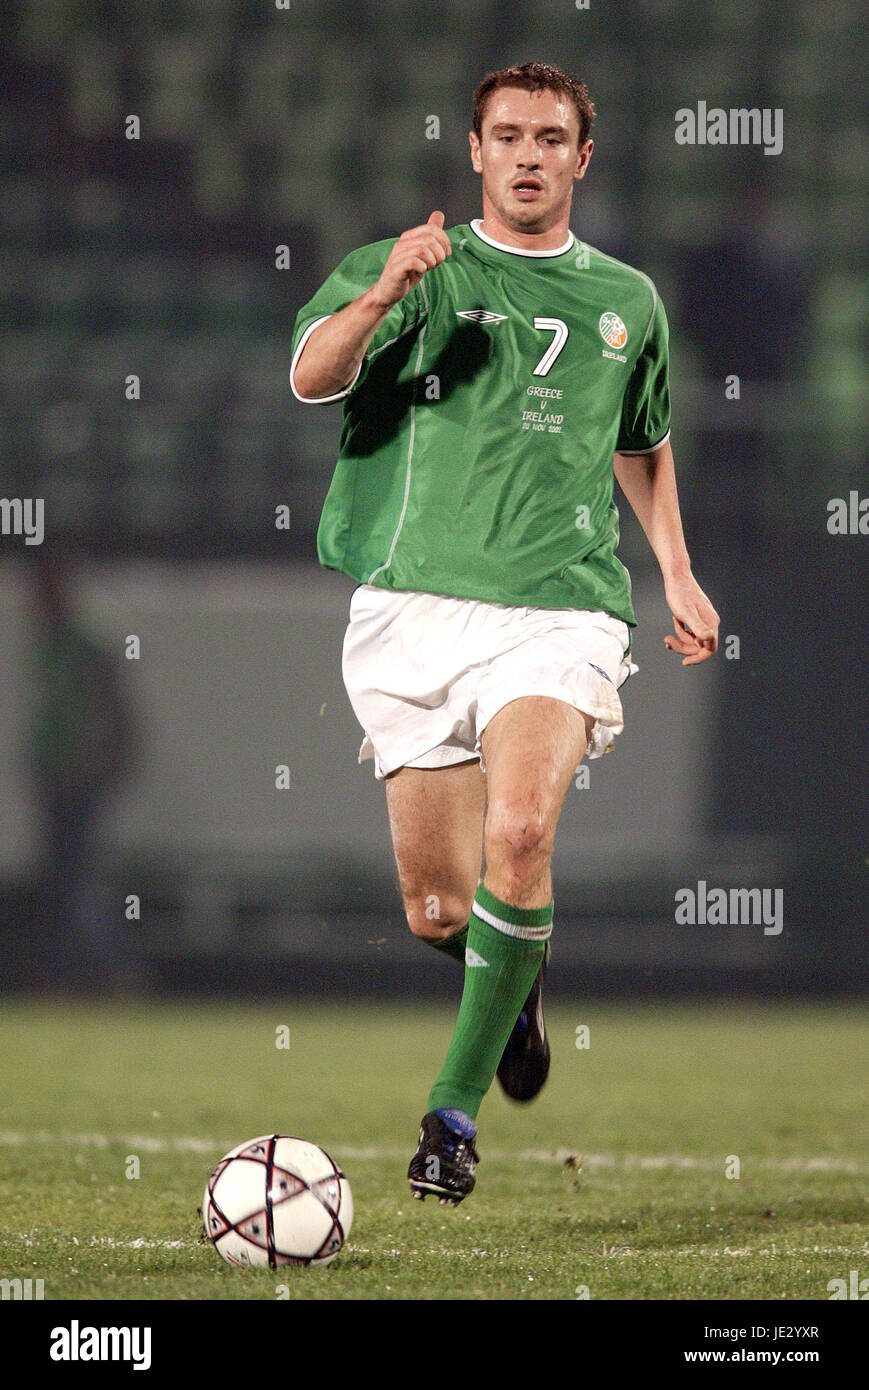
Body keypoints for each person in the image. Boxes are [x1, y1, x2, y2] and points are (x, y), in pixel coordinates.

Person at [290, 61, 719, 1204]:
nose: (527, 153)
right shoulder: (418, 266)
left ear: (582, 159)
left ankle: (448, 1117)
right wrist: (381, 293)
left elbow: (641, 437)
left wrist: (673, 567)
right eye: (506, 135)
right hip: (413, 609)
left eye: (550, 137)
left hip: (561, 608)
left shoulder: (626, 297)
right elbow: (308, 374)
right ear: (473, 152)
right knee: (440, 908)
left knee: (519, 834)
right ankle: (511, 976)